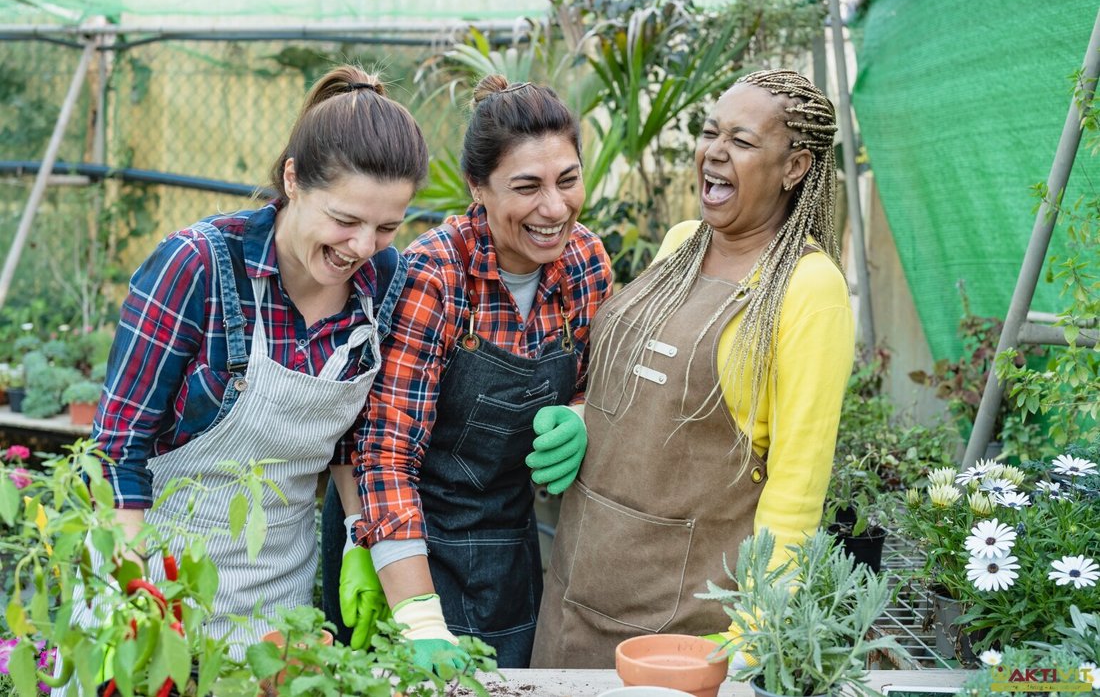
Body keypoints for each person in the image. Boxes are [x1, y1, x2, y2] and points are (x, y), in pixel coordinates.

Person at [76, 66, 428, 661]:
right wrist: (133, 599)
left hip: (277, 608)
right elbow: (117, 447)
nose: (363, 247)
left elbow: (350, 440)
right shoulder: (199, 267)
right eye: (345, 220)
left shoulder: (383, 283)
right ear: (293, 179)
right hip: (150, 580)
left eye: (387, 226)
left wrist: (361, 543)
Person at [530, 68, 856, 668]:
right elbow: (636, 392)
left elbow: (796, 489)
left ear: (795, 167)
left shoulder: (809, 289)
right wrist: (582, 416)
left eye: (743, 140)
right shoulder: (682, 244)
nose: (715, 152)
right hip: (578, 586)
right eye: (711, 133)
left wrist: (758, 635)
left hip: (682, 625)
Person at [320, 75, 613, 668]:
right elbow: (385, 450)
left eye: (568, 180)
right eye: (526, 187)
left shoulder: (586, 263)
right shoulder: (437, 275)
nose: (554, 209)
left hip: (506, 534)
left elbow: (594, 385)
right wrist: (417, 612)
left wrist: (584, 416)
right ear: (478, 187)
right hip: (398, 532)